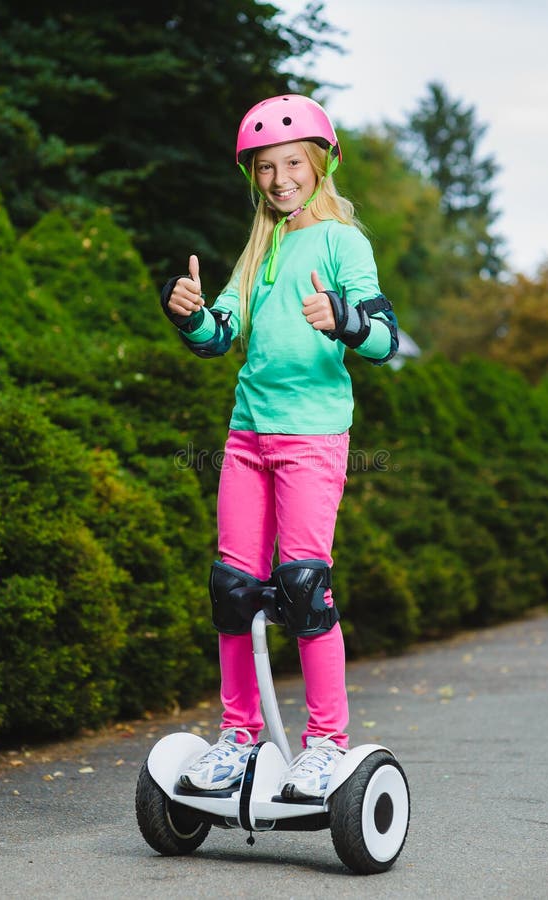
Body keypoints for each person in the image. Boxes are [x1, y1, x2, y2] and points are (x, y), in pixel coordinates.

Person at [160, 94, 398, 800]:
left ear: (320, 165)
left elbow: (383, 341)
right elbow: (220, 338)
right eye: (265, 167)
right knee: (234, 590)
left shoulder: (340, 242)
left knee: (301, 587)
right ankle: (238, 737)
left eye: (292, 163)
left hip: (313, 436)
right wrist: (194, 316)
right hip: (246, 435)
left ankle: (325, 743)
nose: (278, 178)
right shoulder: (259, 246)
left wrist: (345, 319)